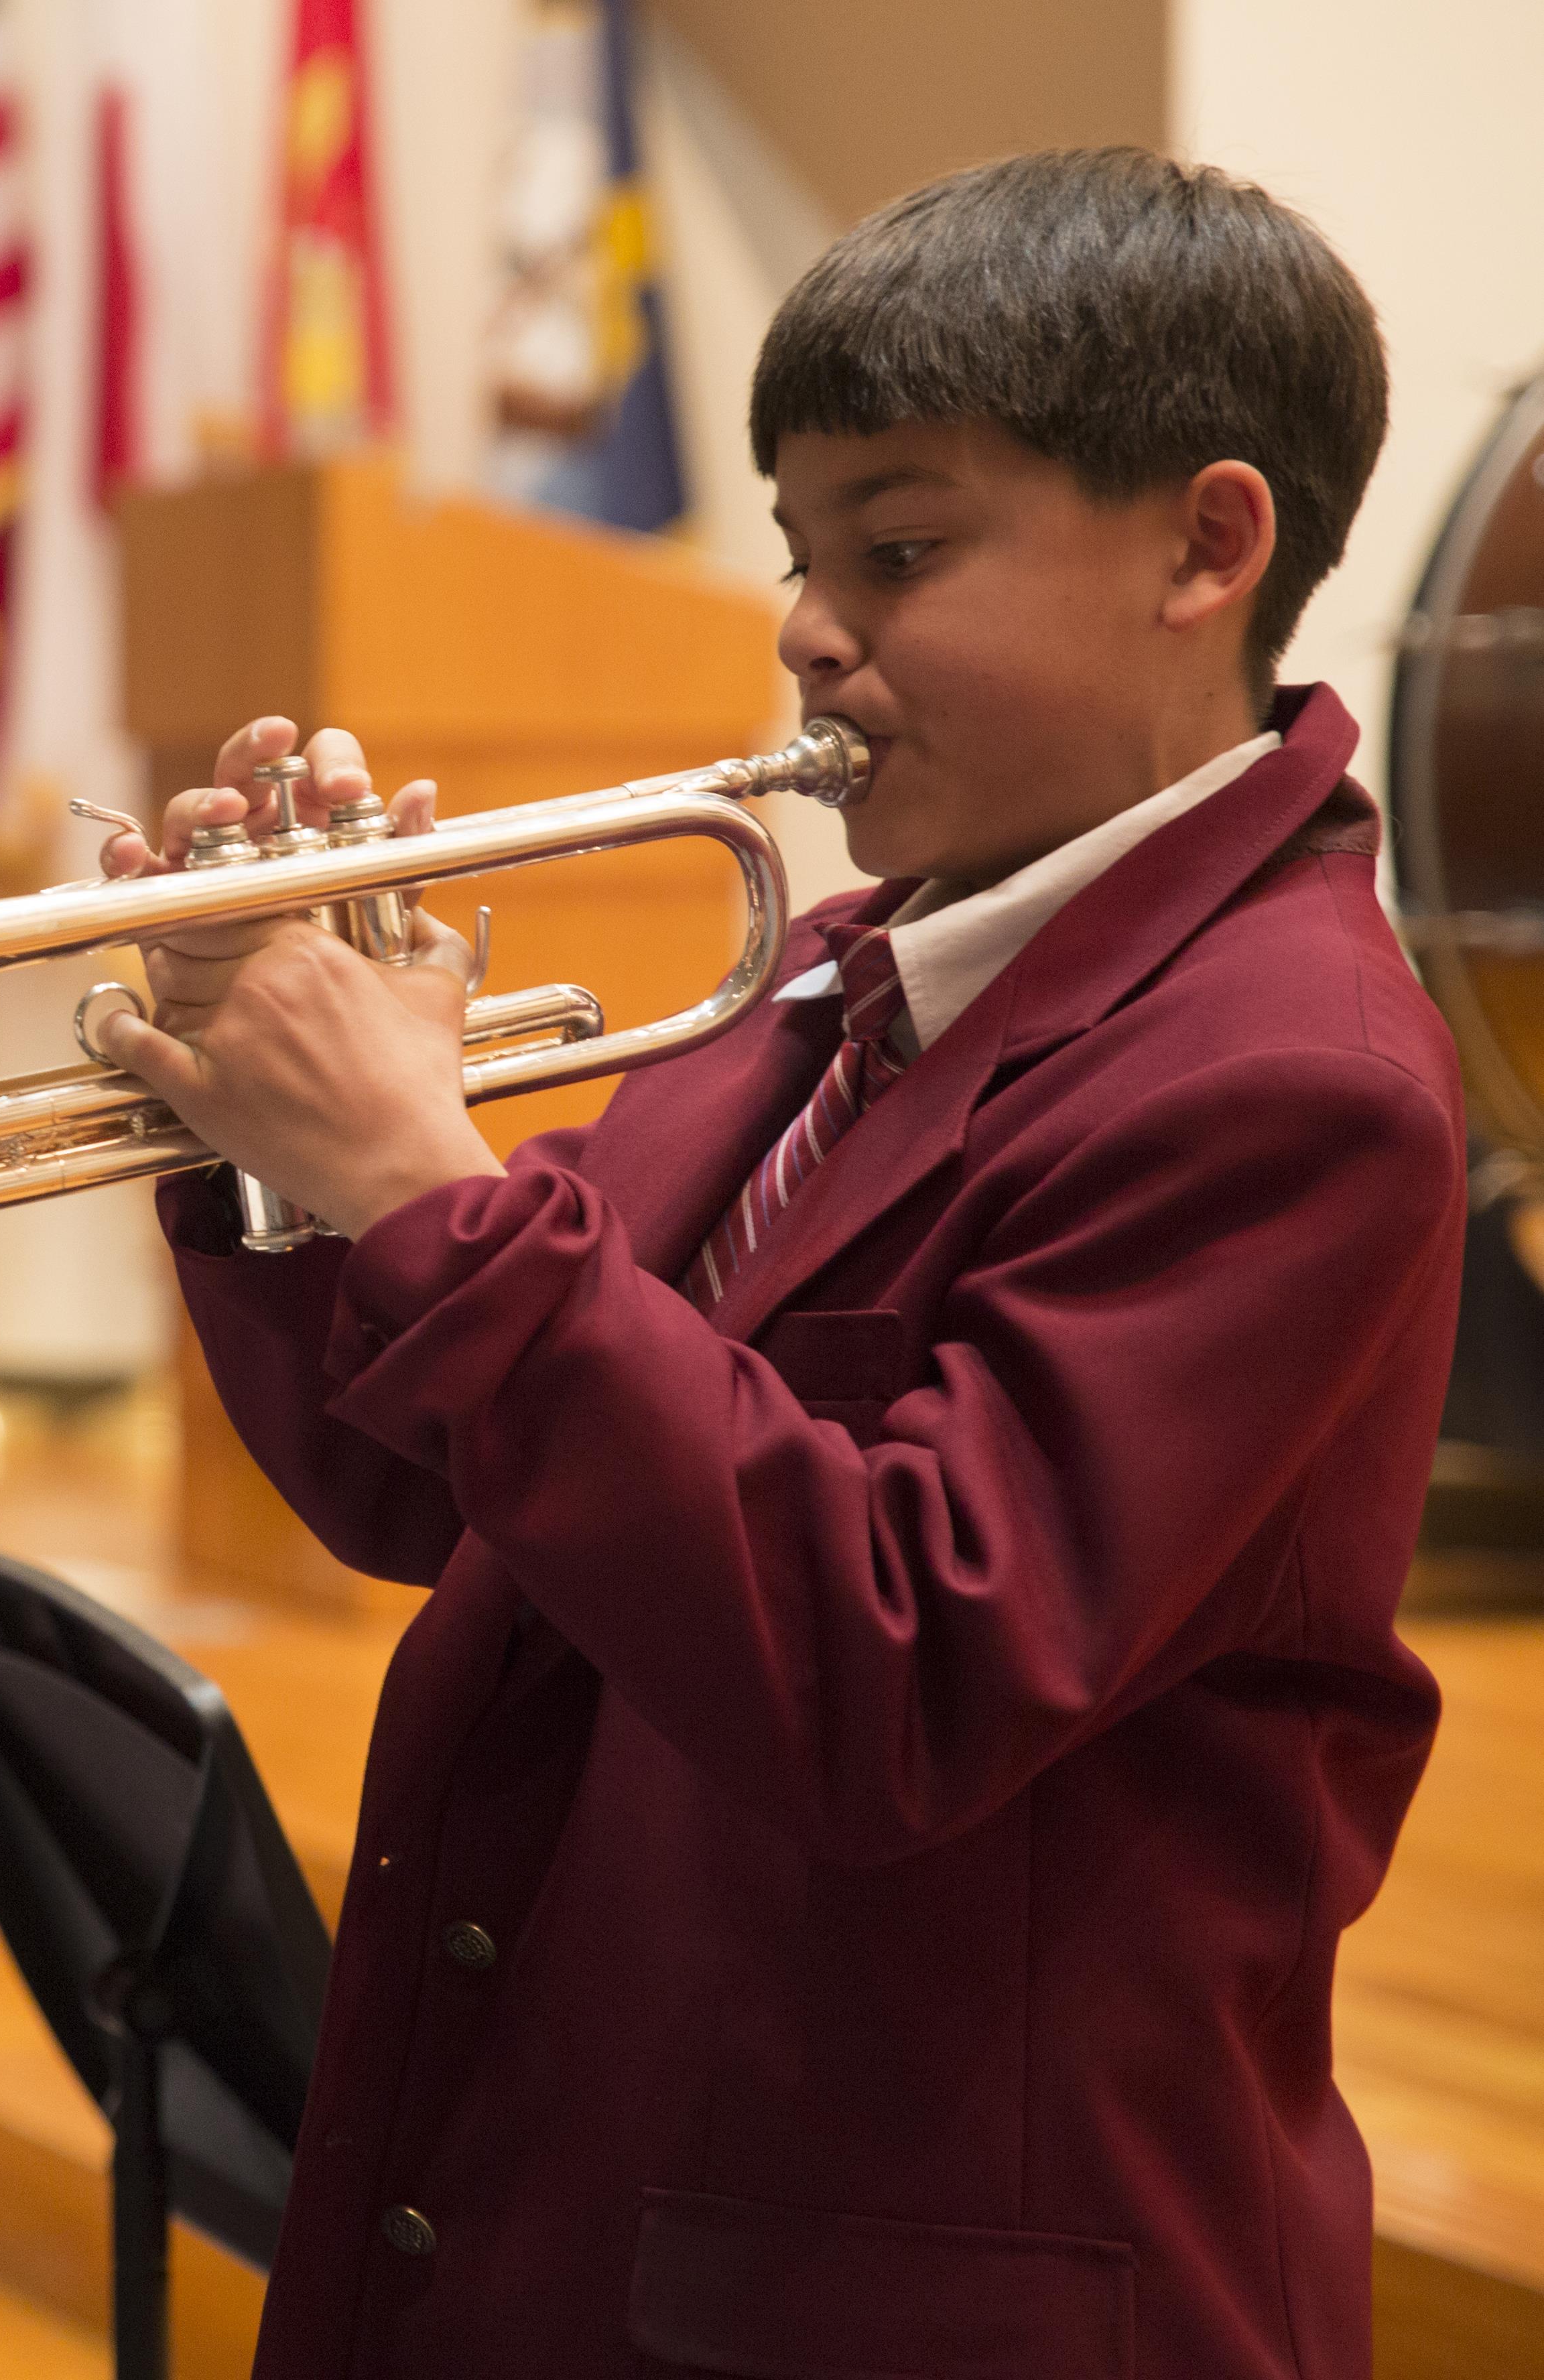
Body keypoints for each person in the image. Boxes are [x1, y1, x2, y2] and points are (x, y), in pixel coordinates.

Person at [94, 150, 1458, 2377]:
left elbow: (894, 1667)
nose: (811, 630)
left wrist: (430, 1182)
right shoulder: (840, 971)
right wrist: (267, 1133)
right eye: (804, 556)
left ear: (1207, 548)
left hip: (921, 2283)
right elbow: (433, 1494)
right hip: (597, 2185)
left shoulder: (1300, 1077)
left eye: (902, 549)